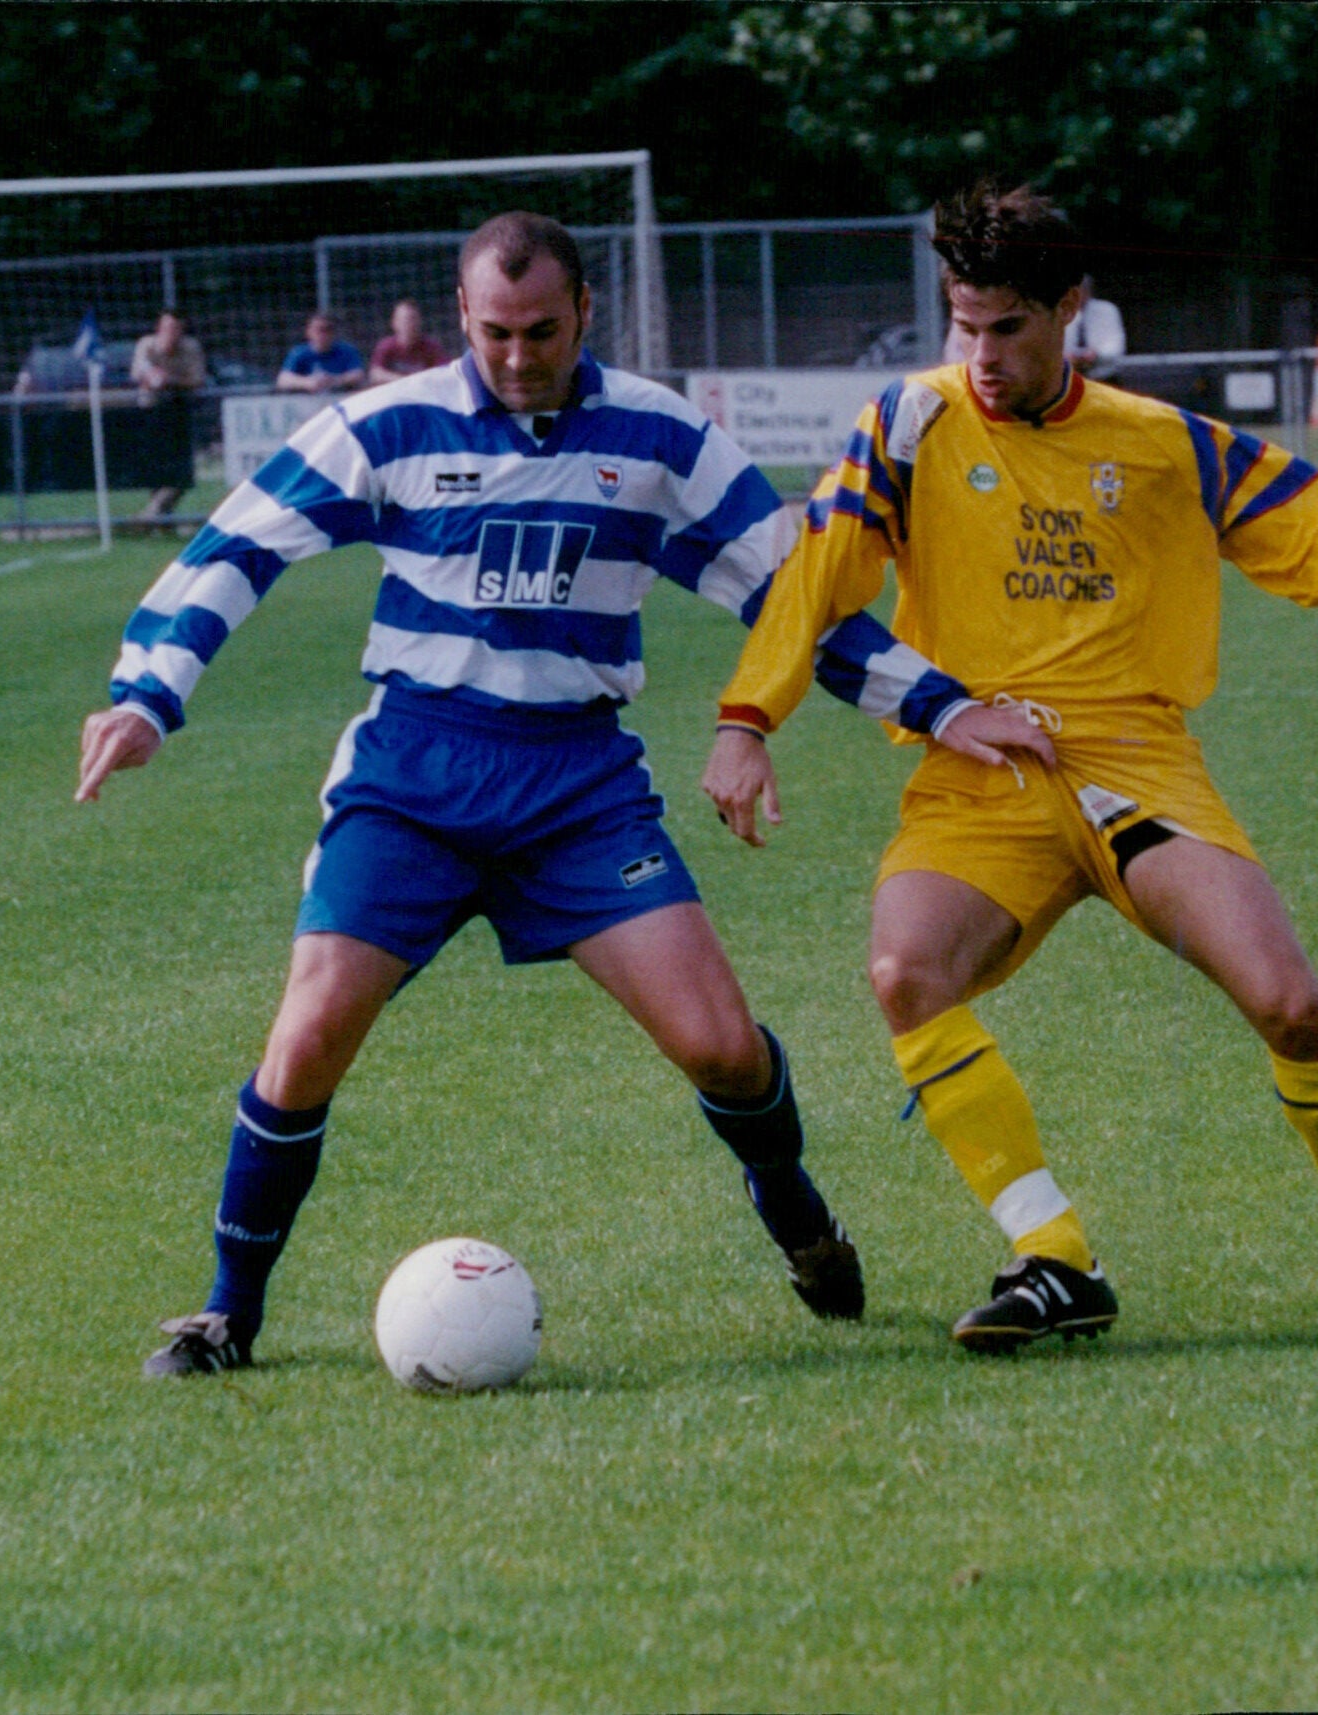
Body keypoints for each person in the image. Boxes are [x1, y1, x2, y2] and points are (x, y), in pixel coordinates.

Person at [77, 210, 1046, 1378]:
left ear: (584, 311)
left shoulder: (656, 438)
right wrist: (146, 694)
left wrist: (940, 705)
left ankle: (799, 1219)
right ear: (461, 320)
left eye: (541, 331)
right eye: (494, 332)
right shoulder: (389, 423)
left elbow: (794, 599)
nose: (519, 355)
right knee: (307, 1038)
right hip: (413, 778)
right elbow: (237, 545)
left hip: (577, 786)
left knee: (722, 1048)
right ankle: (227, 1313)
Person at [703, 181, 1318, 1352]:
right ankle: (1052, 1256)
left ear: (1069, 310)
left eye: (1008, 328)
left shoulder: (1160, 442)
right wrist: (747, 715)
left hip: (1133, 761)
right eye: (961, 324)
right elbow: (819, 577)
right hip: (977, 769)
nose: (979, 355)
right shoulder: (908, 423)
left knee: (1290, 1007)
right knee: (904, 970)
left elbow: (1307, 542)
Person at [945, 273, 1125, 379]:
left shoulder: (1103, 311)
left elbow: (1115, 347)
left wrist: (1095, 355)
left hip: (1101, 377)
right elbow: (952, 357)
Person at [129, 308, 207, 521]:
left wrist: (169, 379)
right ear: (159, 328)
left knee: (181, 469)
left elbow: (197, 379)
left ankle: (153, 514)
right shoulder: (147, 345)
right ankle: (161, 517)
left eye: (175, 328)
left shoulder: (191, 348)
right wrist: (153, 378)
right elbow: (137, 374)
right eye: (167, 328)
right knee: (156, 468)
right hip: (151, 412)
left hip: (180, 412)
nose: (171, 333)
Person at [275, 312, 365, 393]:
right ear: (308, 332)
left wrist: (335, 380)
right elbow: (283, 380)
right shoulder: (299, 353)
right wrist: (307, 382)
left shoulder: (347, 351)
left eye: (328, 330)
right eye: (319, 330)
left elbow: (358, 375)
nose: (323, 335)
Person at [368, 298, 448, 385]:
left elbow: (445, 372)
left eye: (413, 319)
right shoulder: (386, 346)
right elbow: (375, 374)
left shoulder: (431, 347)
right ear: (394, 323)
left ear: (419, 322)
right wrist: (405, 381)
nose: (409, 324)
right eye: (404, 320)